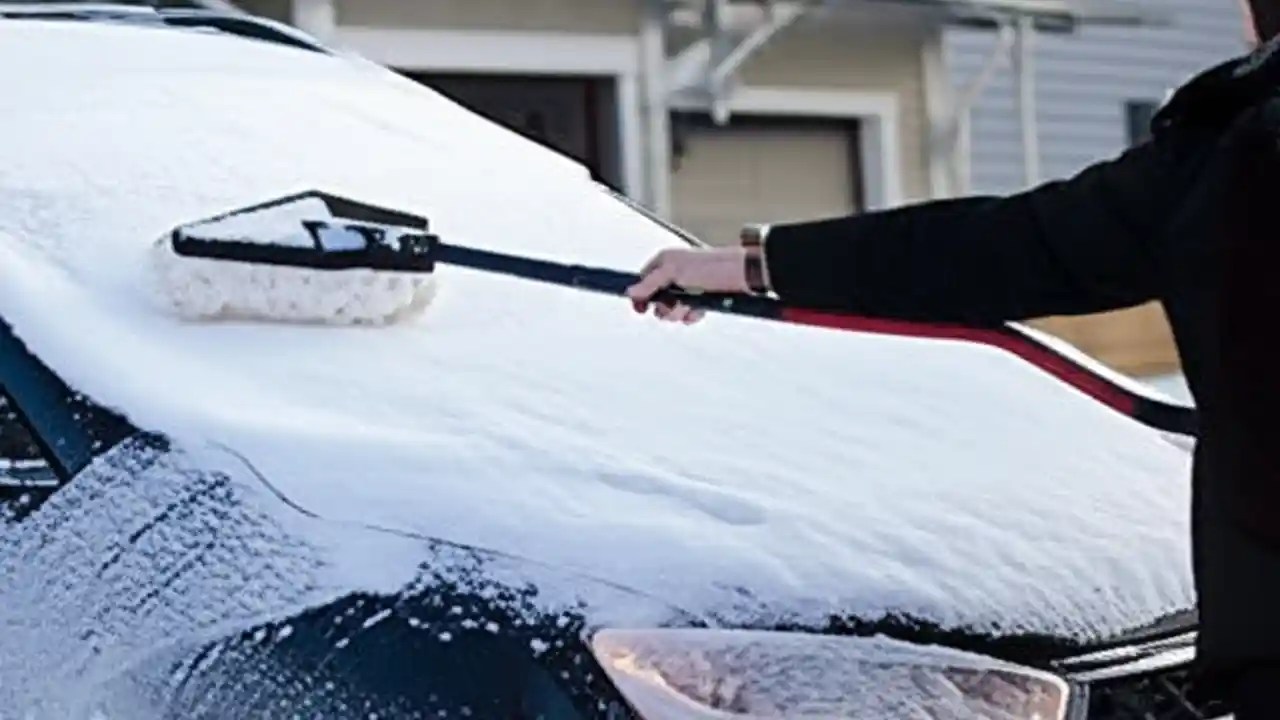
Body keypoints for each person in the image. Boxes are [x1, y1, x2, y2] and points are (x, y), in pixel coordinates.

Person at [627, 1, 1280, 715]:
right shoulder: (1225, 150)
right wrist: (762, 264)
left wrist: (752, 267)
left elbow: (1003, 251)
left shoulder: (1230, 154)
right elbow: (1004, 250)